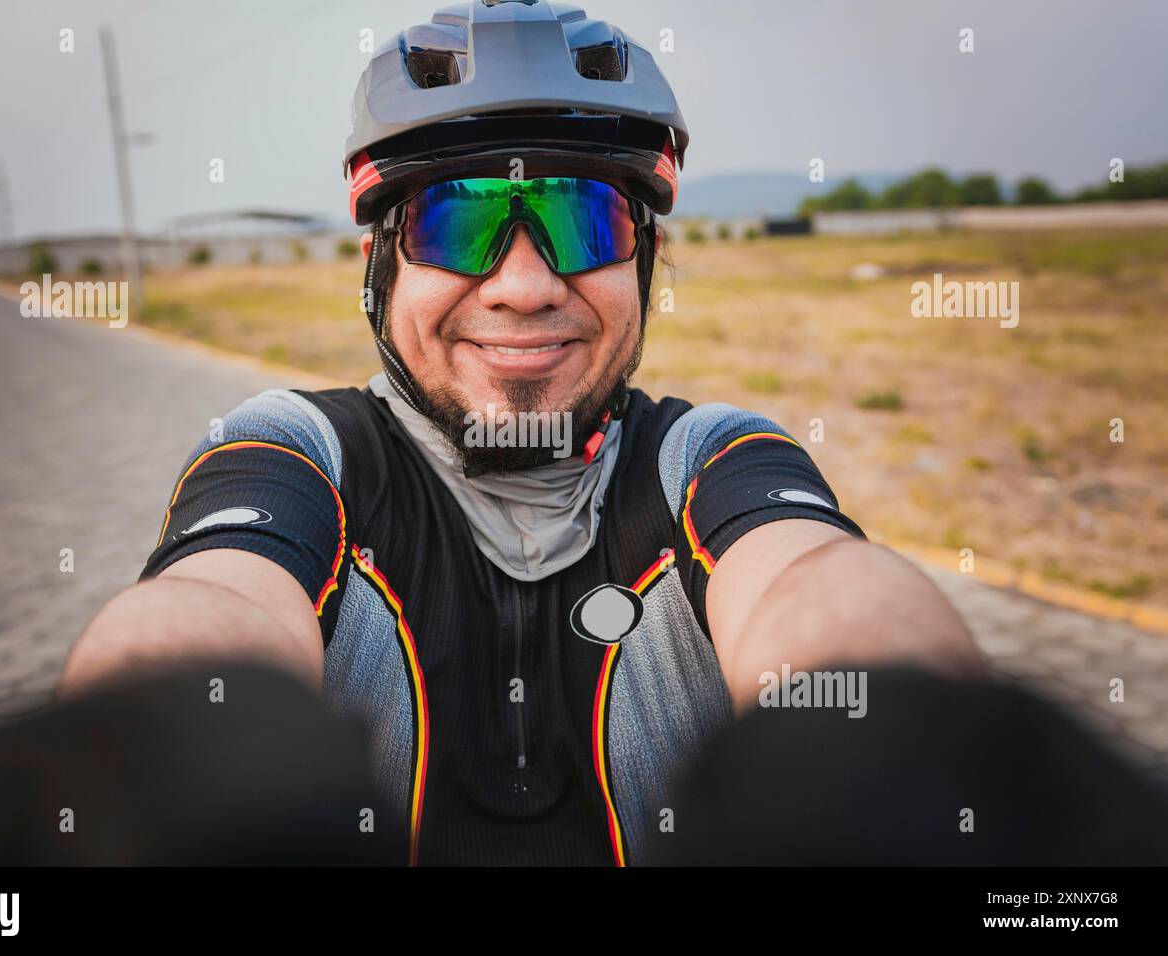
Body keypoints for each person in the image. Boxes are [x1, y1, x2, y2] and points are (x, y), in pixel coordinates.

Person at [61, 0, 984, 866]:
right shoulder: (300, 454)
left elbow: (810, 584)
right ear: (379, 266)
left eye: (583, 221)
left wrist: (910, 738)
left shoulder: (713, 461)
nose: (524, 286)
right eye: (456, 222)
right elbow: (217, 604)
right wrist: (143, 753)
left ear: (645, 262)